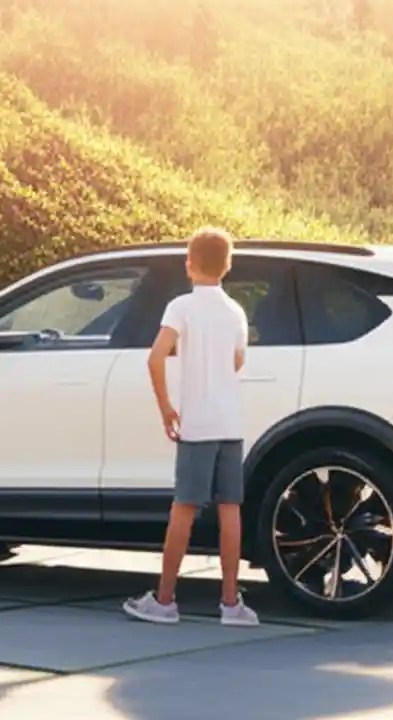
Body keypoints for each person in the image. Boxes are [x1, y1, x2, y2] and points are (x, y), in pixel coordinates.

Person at [123, 227, 259, 627]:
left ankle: (164, 600)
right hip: (230, 421)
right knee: (230, 508)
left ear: (188, 263)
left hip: (197, 422)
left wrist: (167, 407)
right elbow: (237, 362)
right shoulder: (235, 311)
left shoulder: (181, 307)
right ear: (228, 265)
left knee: (183, 508)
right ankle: (232, 603)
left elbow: (155, 358)